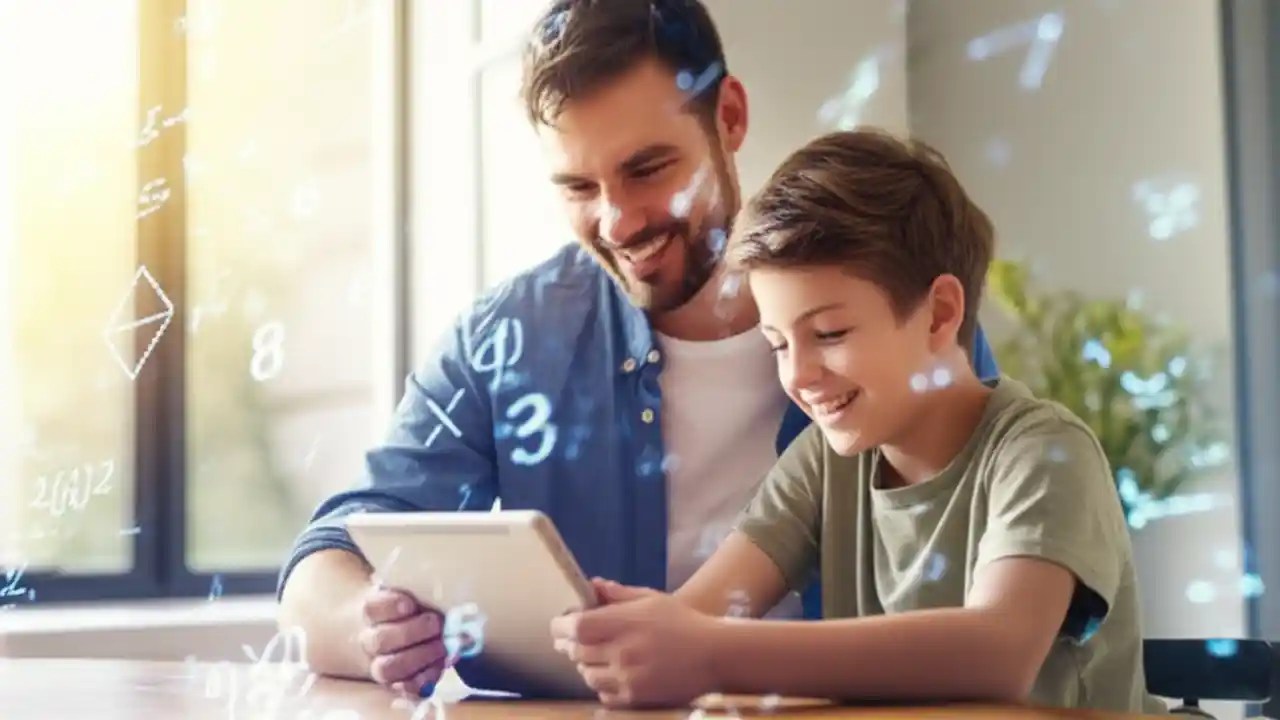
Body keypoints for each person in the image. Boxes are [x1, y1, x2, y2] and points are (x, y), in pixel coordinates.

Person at [276, 0, 1001, 699]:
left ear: (730, 118)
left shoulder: (892, 324)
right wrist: (365, 627)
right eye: (579, 187)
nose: (618, 221)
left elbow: (990, 612)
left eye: (648, 169)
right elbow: (329, 554)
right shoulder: (508, 339)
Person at [549, 128, 1165, 715]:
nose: (800, 376)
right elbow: (705, 611)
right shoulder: (825, 461)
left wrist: (708, 653)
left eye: (829, 334)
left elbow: (997, 652)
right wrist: (621, 632)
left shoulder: (1044, 453)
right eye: (779, 345)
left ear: (939, 312)